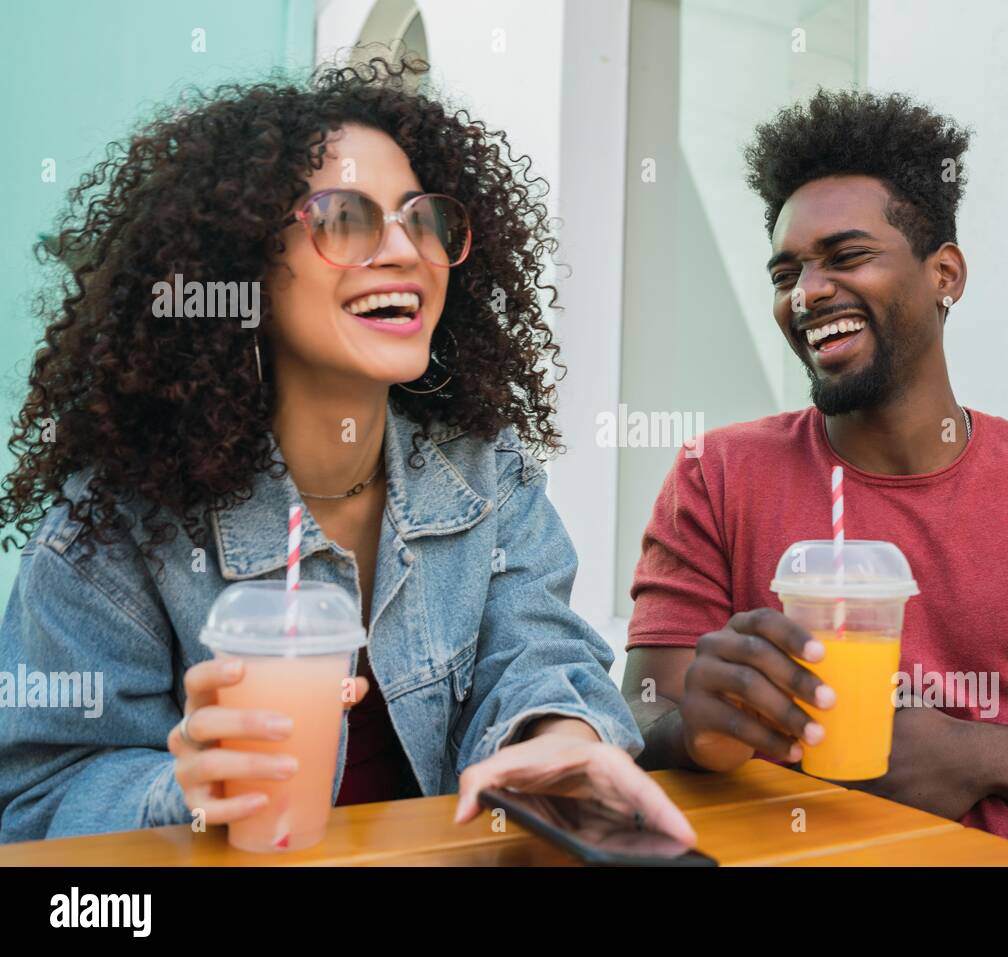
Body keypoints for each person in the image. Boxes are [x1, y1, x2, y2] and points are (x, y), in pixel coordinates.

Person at [0, 57, 692, 847]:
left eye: (420, 219)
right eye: (343, 218)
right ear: (240, 263)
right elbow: (35, 800)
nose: (404, 249)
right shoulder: (114, 528)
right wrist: (179, 791)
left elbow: (536, 654)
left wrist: (559, 741)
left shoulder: (485, 468)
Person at [620, 88, 1008, 860]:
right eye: (786, 272)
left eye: (846, 256)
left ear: (945, 272)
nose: (807, 293)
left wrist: (979, 756)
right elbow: (639, 726)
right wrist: (694, 728)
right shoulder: (716, 476)